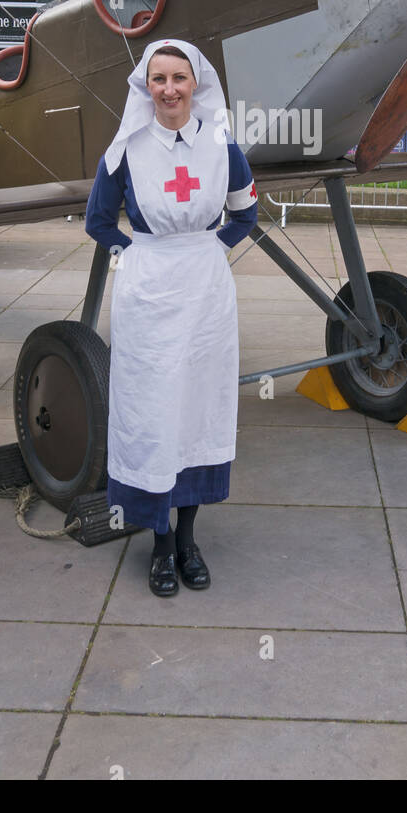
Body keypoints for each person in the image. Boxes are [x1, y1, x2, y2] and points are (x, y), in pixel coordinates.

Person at [85, 39, 258, 597]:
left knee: (198, 411)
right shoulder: (128, 149)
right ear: (145, 87)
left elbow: (245, 211)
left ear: (196, 84)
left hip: (205, 292)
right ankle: (158, 544)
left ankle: (188, 538)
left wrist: (211, 249)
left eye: (179, 78)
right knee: (155, 413)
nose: (169, 89)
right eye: (158, 79)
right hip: (149, 292)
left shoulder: (221, 145)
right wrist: (133, 254)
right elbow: (98, 221)